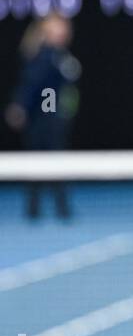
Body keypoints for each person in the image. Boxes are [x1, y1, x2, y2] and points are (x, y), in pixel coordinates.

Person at [5, 12, 80, 220]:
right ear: (47, 32)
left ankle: (51, 208)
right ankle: (38, 209)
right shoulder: (44, 56)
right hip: (43, 120)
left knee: (52, 164)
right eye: (58, 28)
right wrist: (25, 108)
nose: (64, 32)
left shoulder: (58, 54)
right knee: (40, 165)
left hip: (53, 118)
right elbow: (34, 86)